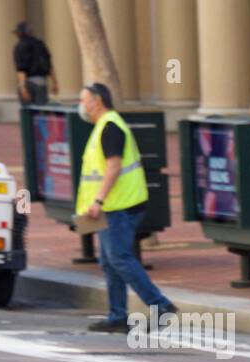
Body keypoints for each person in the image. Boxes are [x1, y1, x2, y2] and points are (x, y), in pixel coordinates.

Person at [74, 83, 176, 333]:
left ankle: (160, 305)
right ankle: (118, 315)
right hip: (112, 205)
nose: (81, 105)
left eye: (83, 100)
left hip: (119, 206)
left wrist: (98, 201)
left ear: (97, 101)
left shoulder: (110, 127)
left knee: (119, 257)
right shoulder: (104, 126)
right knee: (109, 261)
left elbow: (114, 167)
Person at [12, 21, 56, 106]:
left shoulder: (19, 46)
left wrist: (23, 88)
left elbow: (21, 69)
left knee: (27, 114)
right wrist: (55, 83)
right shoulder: (40, 44)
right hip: (41, 82)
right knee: (41, 112)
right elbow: (49, 65)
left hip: (27, 83)